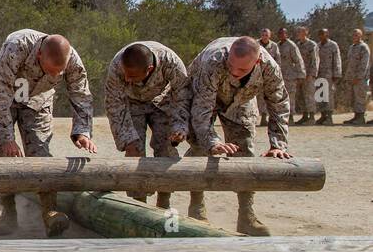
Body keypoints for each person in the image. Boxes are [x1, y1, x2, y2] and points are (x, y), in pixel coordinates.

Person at [0, 29, 96, 237]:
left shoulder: (73, 59)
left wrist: (83, 131)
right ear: (39, 55)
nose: (54, 75)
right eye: (49, 70)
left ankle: (49, 210)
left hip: (37, 99)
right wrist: (7, 138)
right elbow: (0, 92)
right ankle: (8, 211)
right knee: (5, 155)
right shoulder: (17, 47)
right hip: (1, 95)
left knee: (40, 152)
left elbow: (81, 94)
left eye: (57, 73)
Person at [185, 35, 292, 235]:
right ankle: (197, 208)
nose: (234, 72)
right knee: (200, 148)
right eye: (231, 65)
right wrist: (212, 142)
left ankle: (246, 216)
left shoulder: (270, 68)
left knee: (245, 152)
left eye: (242, 70)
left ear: (257, 62)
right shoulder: (213, 62)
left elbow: (279, 104)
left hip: (241, 100)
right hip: (203, 95)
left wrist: (278, 145)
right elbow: (201, 110)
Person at [104, 41, 190, 212]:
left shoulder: (172, 63)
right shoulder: (116, 66)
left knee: (166, 149)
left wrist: (179, 128)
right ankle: (139, 204)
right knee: (134, 152)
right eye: (126, 75)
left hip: (162, 102)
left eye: (133, 76)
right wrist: (128, 140)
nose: (127, 79)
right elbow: (114, 105)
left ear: (149, 69)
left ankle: (164, 201)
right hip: (131, 104)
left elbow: (182, 97)